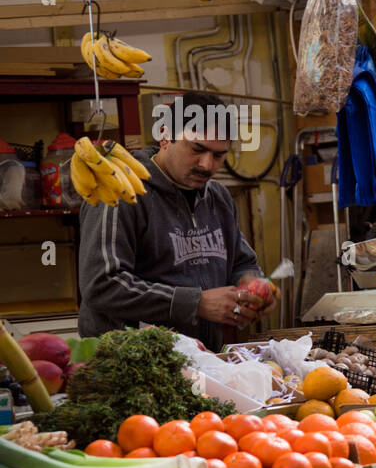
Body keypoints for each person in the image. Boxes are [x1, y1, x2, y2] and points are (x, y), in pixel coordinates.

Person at [78, 91, 272, 351]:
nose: (207, 165)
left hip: (201, 363)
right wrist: (196, 303)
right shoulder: (119, 191)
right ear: (166, 136)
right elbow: (102, 284)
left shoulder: (218, 197)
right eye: (197, 149)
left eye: (218, 155)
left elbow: (242, 261)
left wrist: (251, 284)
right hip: (128, 363)